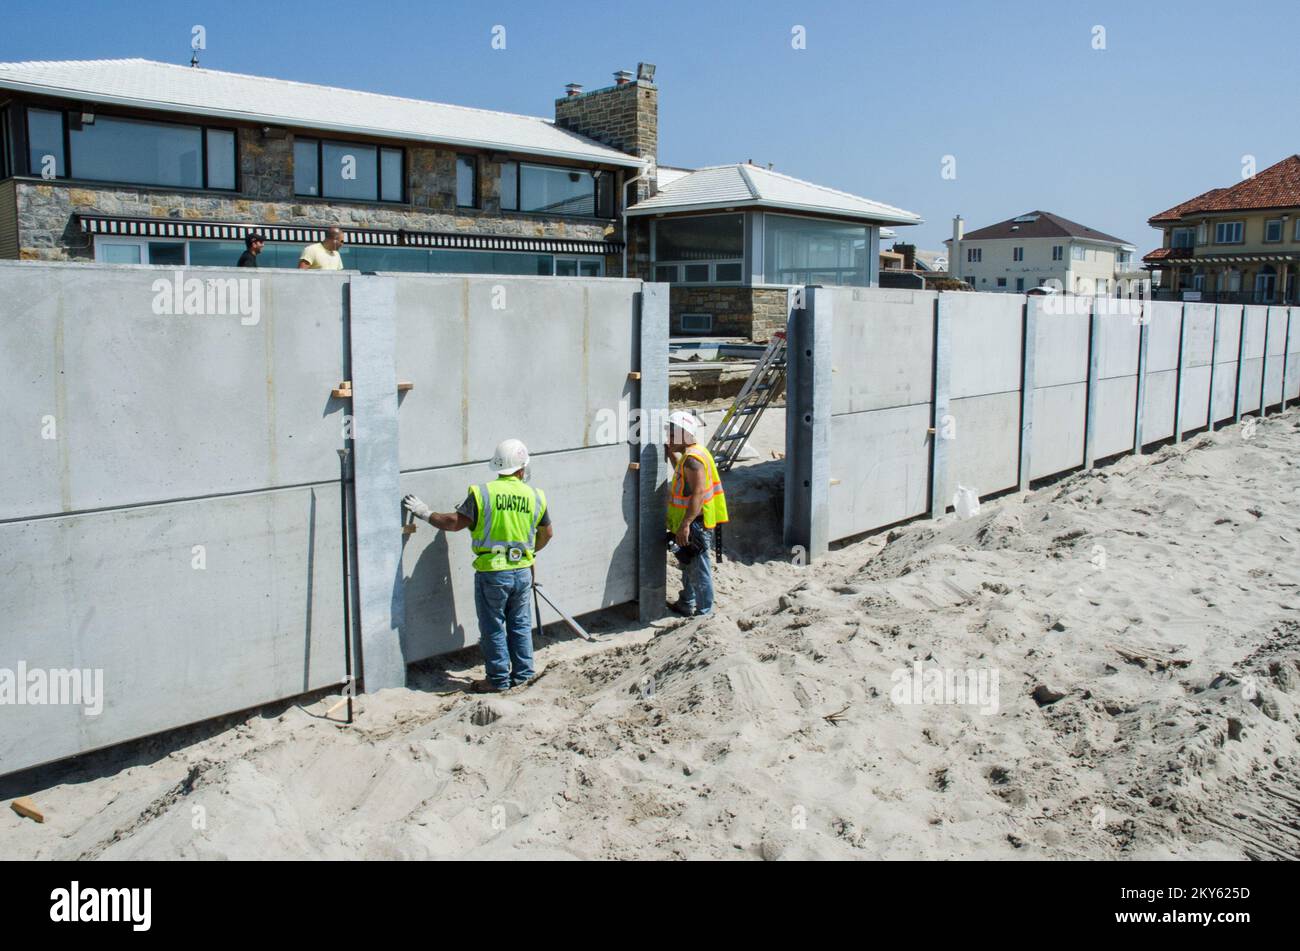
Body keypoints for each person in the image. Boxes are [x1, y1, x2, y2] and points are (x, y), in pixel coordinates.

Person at [402, 439, 552, 693]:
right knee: (519, 623)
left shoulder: (483, 493)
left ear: (498, 467)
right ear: (521, 468)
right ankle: (524, 676)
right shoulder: (535, 495)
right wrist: (527, 553)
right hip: (522, 571)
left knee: (493, 626)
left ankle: (498, 680)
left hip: (493, 572)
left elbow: (453, 523)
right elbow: (546, 533)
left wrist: (425, 513)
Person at [664, 410, 728, 617]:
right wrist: (671, 454)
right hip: (691, 522)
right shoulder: (693, 454)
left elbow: (698, 493)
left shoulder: (693, 459)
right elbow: (683, 475)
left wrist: (685, 525)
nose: (669, 438)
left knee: (699, 569)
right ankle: (686, 603)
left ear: (685, 433)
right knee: (687, 565)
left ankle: (704, 613)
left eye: (672, 435)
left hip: (695, 524)